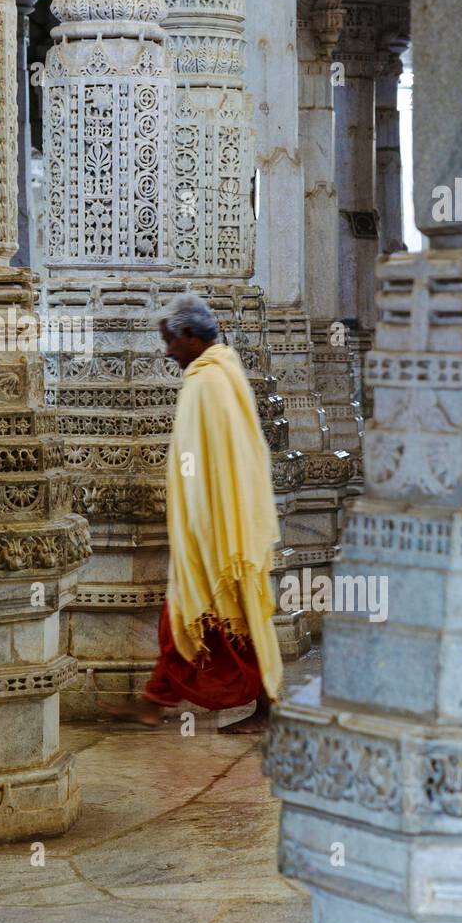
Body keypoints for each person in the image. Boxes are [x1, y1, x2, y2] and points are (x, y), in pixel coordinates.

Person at [100, 293, 282, 733]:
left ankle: (266, 707)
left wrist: (202, 522)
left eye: (169, 342)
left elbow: (213, 463)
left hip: (217, 525)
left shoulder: (208, 381)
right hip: (222, 520)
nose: (167, 353)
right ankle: (153, 702)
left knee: (214, 617)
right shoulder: (222, 369)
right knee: (192, 616)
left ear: (188, 335)